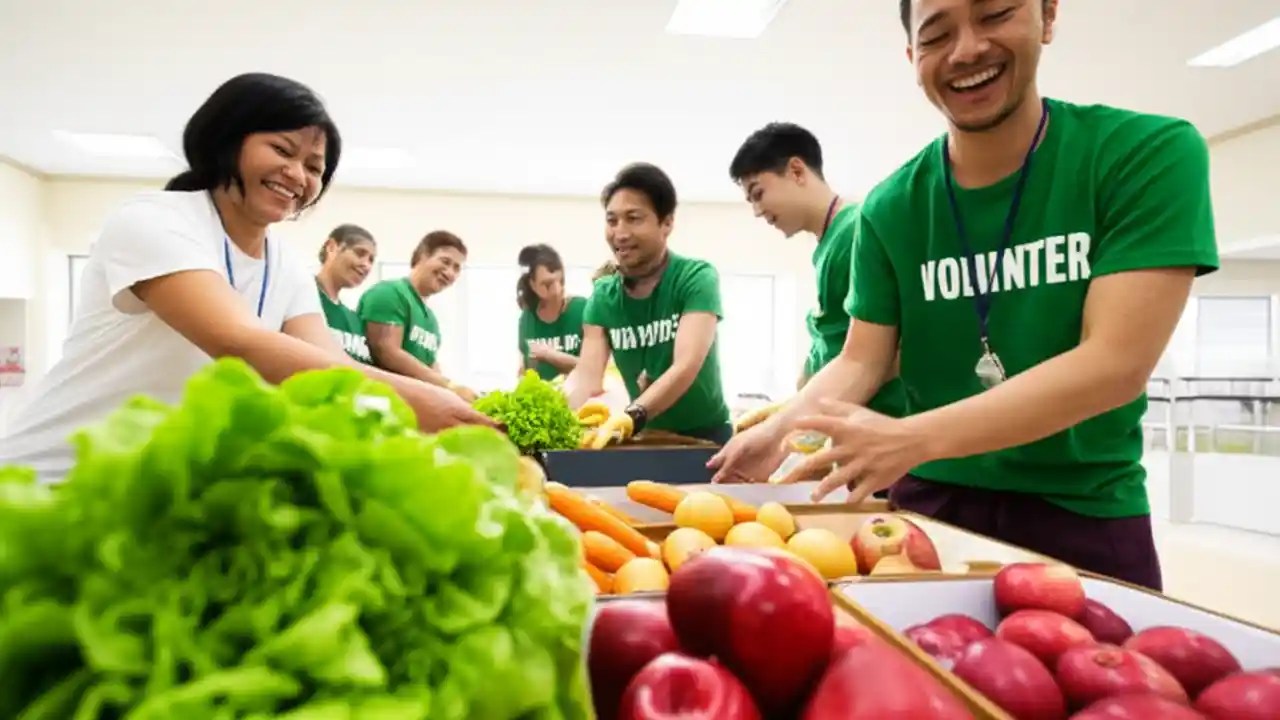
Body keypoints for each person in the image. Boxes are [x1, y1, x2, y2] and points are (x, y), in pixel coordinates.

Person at [709, 0, 1218, 591]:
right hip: (930, 512)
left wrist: (909, 438)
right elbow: (861, 359)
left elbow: (1115, 365)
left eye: (996, 13)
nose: (967, 48)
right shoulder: (889, 208)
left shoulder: (1144, 155)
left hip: (1084, 509)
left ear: (1048, 16)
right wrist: (780, 432)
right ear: (913, 58)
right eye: (937, 34)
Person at [0, 73, 493, 481]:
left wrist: (432, 409)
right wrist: (423, 400)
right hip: (48, 483)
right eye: (282, 150)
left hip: (144, 497)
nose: (298, 176)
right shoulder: (155, 220)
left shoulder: (285, 264)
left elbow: (329, 369)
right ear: (226, 141)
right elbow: (239, 342)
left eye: (314, 167)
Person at [729, 122, 907, 414]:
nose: (757, 212)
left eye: (758, 194)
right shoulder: (829, 243)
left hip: (880, 420)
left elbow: (890, 350)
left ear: (797, 171)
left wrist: (812, 406)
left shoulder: (855, 232)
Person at [564, 162, 732, 444]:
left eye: (633, 218)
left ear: (666, 223)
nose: (620, 233)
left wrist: (633, 415)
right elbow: (586, 377)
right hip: (647, 434)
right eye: (612, 220)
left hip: (707, 437)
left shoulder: (696, 278)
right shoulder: (603, 297)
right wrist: (554, 413)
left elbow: (686, 365)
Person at [358, 231, 478, 401]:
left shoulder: (431, 319)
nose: (450, 272)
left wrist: (454, 394)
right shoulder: (390, 293)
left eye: (456, 268)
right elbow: (386, 351)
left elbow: (430, 367)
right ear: (422, 256)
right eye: (445, 262)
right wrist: (449, 386)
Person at [516, 243, 588, 380]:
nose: (557, 290)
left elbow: (593, 368)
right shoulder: (527, 318)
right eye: (547, 285)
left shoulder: (582, 310)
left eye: (560, 281)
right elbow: (524, 369)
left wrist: (550, 355)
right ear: (532, 284)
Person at [316, 223, 376, 364]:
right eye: (360, 253)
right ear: (332, 247)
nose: (366, 265)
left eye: (371, 260)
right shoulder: (301, 296)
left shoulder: (355, 321)